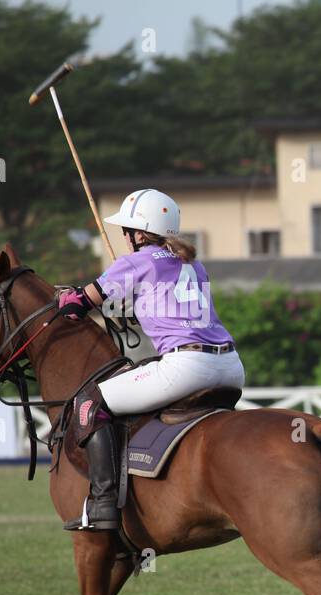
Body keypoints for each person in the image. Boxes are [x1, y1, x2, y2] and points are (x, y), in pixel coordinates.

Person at [56, 187, 245, 532]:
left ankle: (102, 504)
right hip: (230, 366)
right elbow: (165, 305)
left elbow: (75, 308)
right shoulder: (192, 262)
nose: (125, 237)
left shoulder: (136, 262)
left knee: (89, 402)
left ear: (140, 232)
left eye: (126, 230)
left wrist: (67, 296)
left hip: (187, 368)